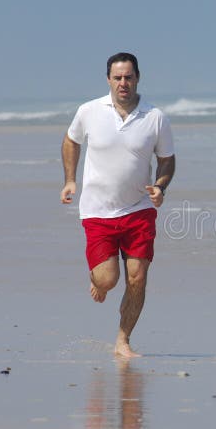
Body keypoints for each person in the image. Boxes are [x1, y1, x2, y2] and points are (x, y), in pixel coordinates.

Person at [60, 52, 176, 358]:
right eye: (117, 77)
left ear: (138, 77)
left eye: (129, 77)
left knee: (137, 277)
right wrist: (70, 179)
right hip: (98, 212)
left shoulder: (155, 117)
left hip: (138, 210)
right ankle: (97, 276)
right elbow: (71, 141)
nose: (123, 83)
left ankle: (123, 341)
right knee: (108, 280)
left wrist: (160, 187)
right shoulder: (89, 111)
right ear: (108, 79)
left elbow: (166, 160)